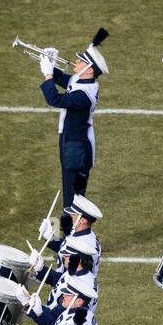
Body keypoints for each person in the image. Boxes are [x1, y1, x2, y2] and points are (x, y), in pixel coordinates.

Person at [37, 31, 109, 224]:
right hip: (73, 141)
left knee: (73, 199)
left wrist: (47, 72)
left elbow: (55, 99)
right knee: (72, 197)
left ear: (90, 69)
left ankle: (71, 240)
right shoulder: (82, 79)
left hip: (77, 148)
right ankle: (70, 237)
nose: (74, 63)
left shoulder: (84, 95)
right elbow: (65, 80)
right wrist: (49, 62)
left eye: (79, 61)